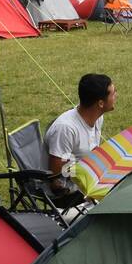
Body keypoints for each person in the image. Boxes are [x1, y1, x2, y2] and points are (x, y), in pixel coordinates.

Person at [46, 73, 116, 203]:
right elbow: (55, 180)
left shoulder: (98, 117)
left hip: (91, 180)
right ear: (100, 103)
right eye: (113, 93)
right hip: (74, 197)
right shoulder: (66, 129)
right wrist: (88, 192)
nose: (116, 96)